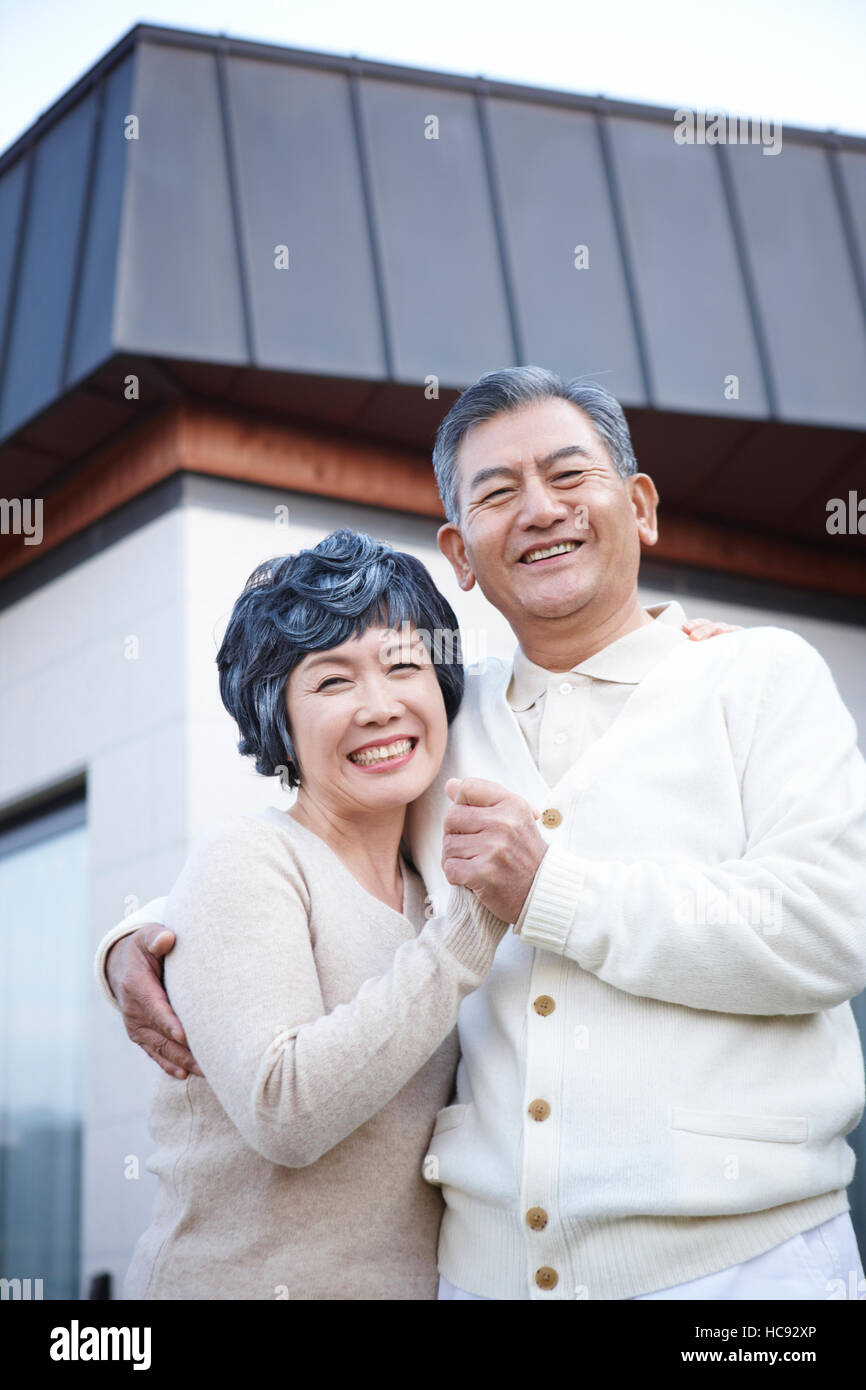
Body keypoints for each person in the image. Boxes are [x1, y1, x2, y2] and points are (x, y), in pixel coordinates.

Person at [97, 368, 866, 1302]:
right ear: (461, 553)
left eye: (569, 476)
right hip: (481, 1279)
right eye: (497, 493)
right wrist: (143, 944)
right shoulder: (442, 728)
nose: (539, 510)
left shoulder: (758, 678)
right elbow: (304, 838)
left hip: (744, 1274)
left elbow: (834, 926)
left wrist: (555, 893)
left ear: (641, 506)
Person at [104, 530, 517, 1299]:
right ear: (277, 719)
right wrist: (466, 939)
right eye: (331, 682)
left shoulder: (433, 883)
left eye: (403, 666)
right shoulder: (249, 858)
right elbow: (282, 1111)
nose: (379, 706)